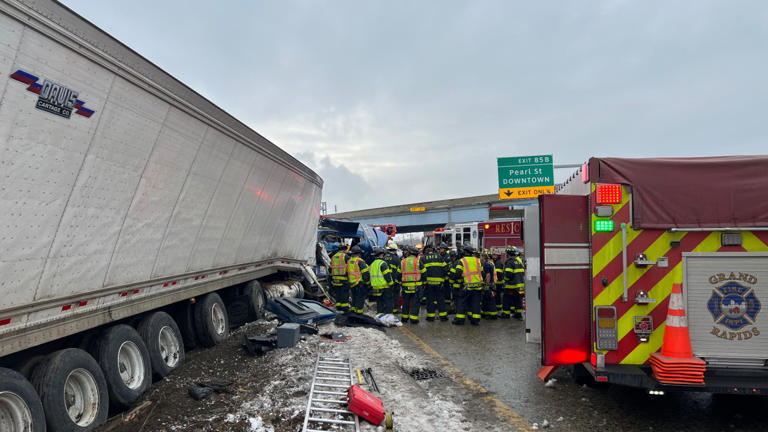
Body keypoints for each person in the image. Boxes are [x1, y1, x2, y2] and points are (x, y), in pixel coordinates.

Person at [449, 247, 484, 325]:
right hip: (478, 286)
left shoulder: (462, 261)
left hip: (466, 286)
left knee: (462, 303)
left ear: (464, 252)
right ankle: (475, 320)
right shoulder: (477, 260)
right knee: (475, 303)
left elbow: (457, 273)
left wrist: (460, 278)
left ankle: (460, 320)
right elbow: (482, 273)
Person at [420, 243, 448, 322]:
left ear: (425, 251)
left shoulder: (423, 258)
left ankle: (430, 317)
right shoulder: (439, 257)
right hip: (439, 283)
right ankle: (443, 317)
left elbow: (421, 271)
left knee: (430, 300)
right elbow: (445, 268)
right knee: (440, 299)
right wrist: (442, 277)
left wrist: (423, 282)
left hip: (429, 283)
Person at [400, 246, 423, 323]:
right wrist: (424, 283)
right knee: (415, 303)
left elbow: (398, 274)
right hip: (416, 286)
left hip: (405, 287)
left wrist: (399, 283)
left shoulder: (402, 261)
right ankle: (413, 319)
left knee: (406, 302)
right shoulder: (418, 261)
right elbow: (424, 272)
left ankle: (404, 318)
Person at [369, 247, 394, 314]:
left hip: (375, 288)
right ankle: (389, 318)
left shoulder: (372, 264)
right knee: (388, 303)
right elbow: (387, 276)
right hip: (384, 287)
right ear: (381, 254)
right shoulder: (383, 263)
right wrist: (391, 284)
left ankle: (380, 317)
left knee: (379, 304)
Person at [503, 246, 525, 319]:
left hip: (511, 286)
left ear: (508, 254)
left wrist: (505, 280)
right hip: (520, 285)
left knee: (507, 300)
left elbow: (508, 274)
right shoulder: (518, 261)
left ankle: (506, 314)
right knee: (518, 300)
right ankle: (518, 314)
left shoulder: (509, 262)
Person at [347, 245, 370, 314]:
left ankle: (353, 312)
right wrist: (367, 282)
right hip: (359, 283)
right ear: (359, 253)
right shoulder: (360, 261)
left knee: (354, 299)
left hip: (352, 283)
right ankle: (359, 314)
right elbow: (365, 273)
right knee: (360, 300)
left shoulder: (349, 261)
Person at [382, 242, 402, 314]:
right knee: (395, 296)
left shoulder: (384, 258)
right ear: (395, 250)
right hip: (394, 280)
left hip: (385, 281)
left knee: (387, 296)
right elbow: (399, 271)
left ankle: (387, 309)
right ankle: (394, 310)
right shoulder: (397, 259)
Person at [330, 245, 350, 311]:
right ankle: (345, 307)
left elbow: (330, 268)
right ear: (344, 250)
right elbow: (350, 267)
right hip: (343, 278)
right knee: (344, 293)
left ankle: (338, 306)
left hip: (335, 279)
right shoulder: (345, 256)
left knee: (338, 293)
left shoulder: (333, 257)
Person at [480, 251, 498, 319]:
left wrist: (486, 284)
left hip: (489, 285)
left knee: (490, 300)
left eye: (481, 256)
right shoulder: (489, 263)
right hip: (491, 284)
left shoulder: (486, 264)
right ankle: (486, 313)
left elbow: (488, 275)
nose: (480, 258)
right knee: (486, 300)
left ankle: (493, 315)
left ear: (484, 257)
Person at [493, 250, 505, 314]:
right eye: (493, 254)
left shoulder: (498, 263)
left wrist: (495, 281)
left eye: (495, 255)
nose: (493, 256)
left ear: (498, 256)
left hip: (498, 282)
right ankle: (498, 307)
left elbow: (498, 273)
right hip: (498, 282)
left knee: (497, 296)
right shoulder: (496, 262)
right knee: (497, 295)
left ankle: (498, 308)